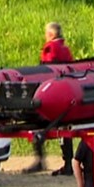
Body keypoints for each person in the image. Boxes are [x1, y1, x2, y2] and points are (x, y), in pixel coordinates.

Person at [30, 22, 75, 176]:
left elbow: (45, 70)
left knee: (37, 123)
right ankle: (68, 163)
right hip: (65, 92)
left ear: (50, 35)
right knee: (66, 127)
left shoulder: (50, 48)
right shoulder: (66, 49)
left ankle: (40, 160)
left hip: (51, 91)